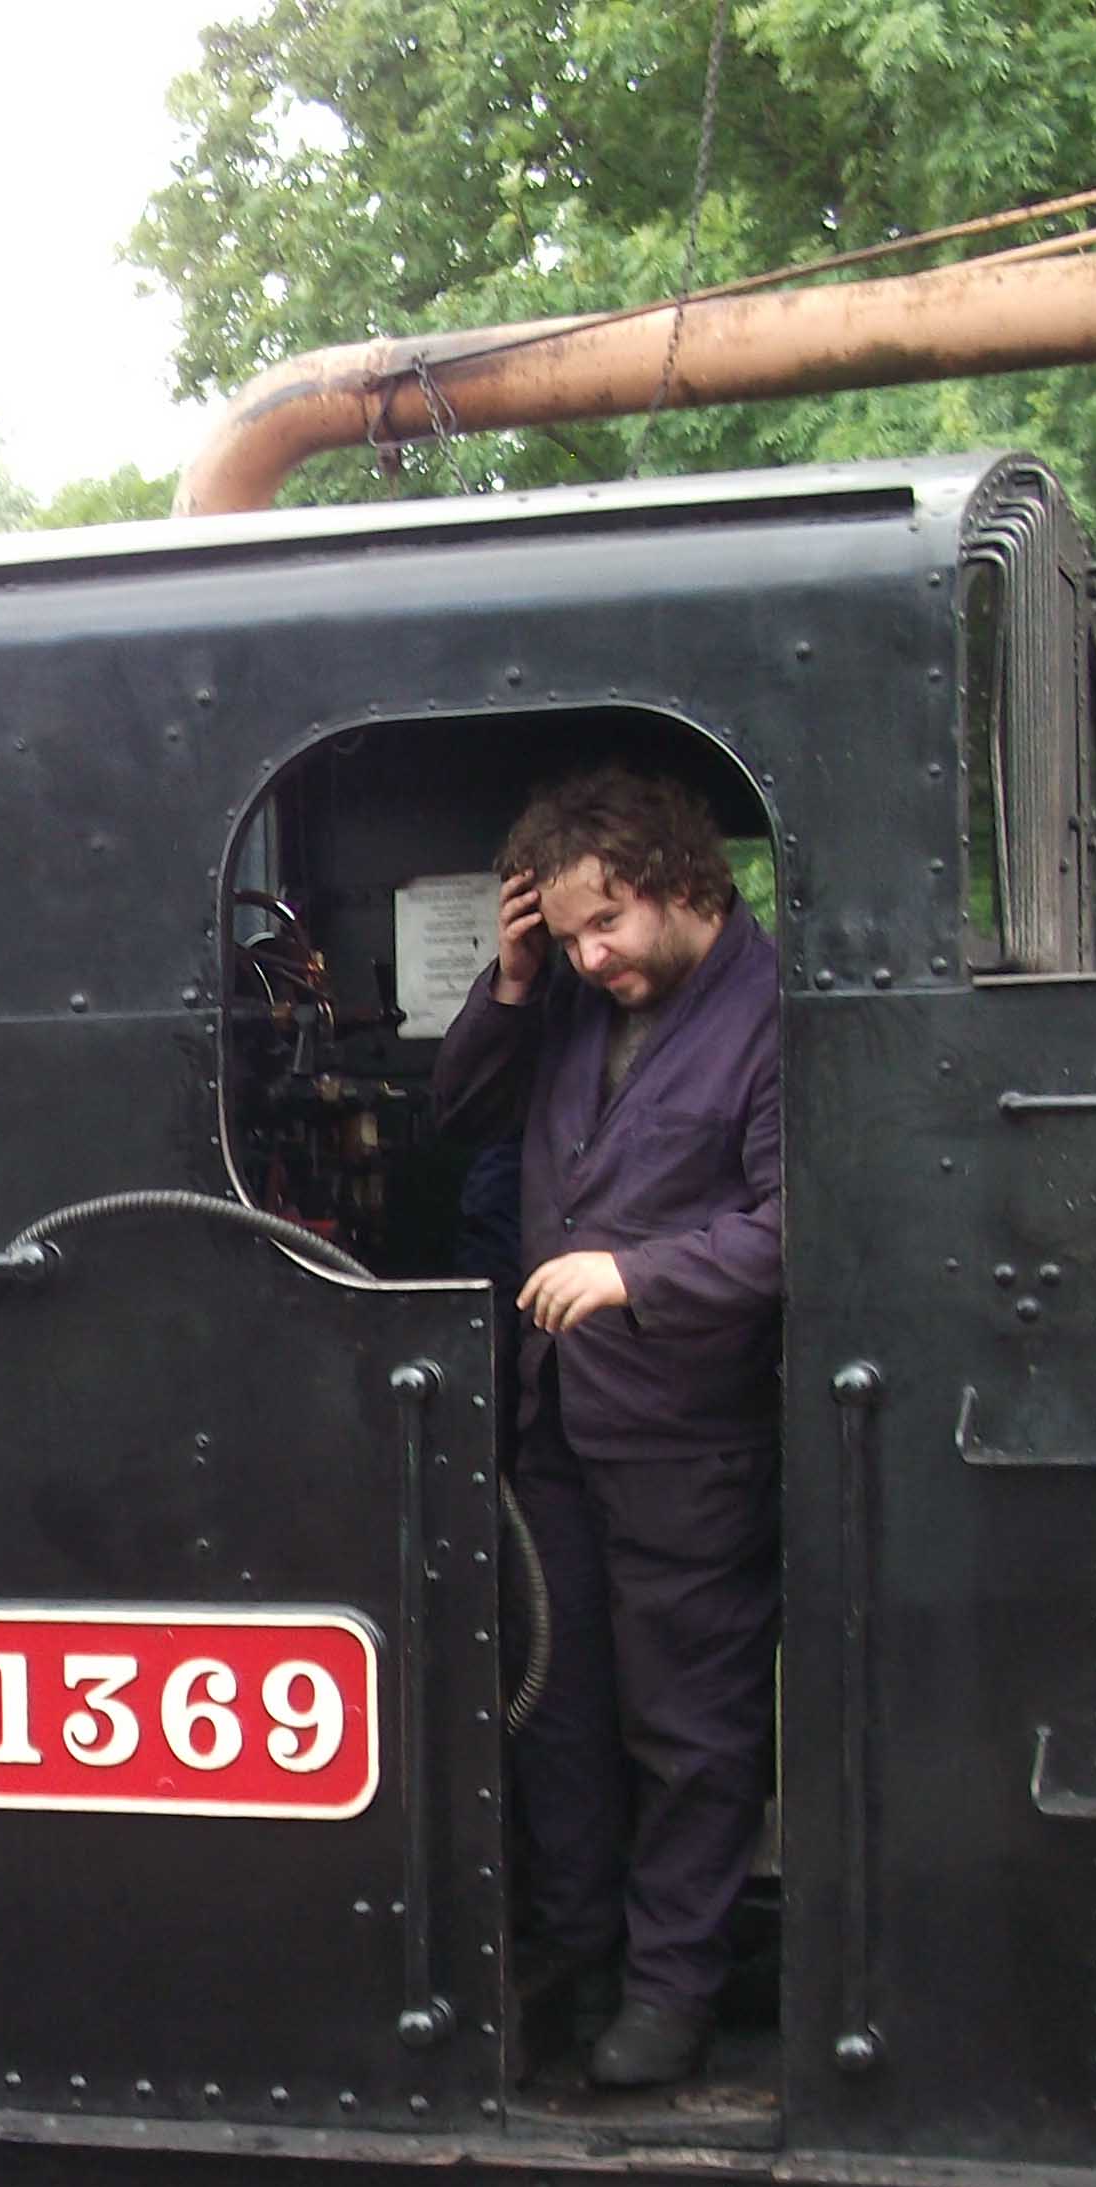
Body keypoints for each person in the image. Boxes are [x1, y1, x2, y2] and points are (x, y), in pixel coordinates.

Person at [431, 768, 783, 2089]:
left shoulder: (769, 1018)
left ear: (685, 885)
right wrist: (516, 982)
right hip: (554, 1419)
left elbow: (797, 1221)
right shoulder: (570, 999)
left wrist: (640, 1276)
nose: (592, 955)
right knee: (558, 1705)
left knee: (688, 1725)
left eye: (608, 926)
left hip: (688, 1431)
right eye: (568, 932)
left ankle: (675, 1989)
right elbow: (458, 1119)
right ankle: (579, 1949)